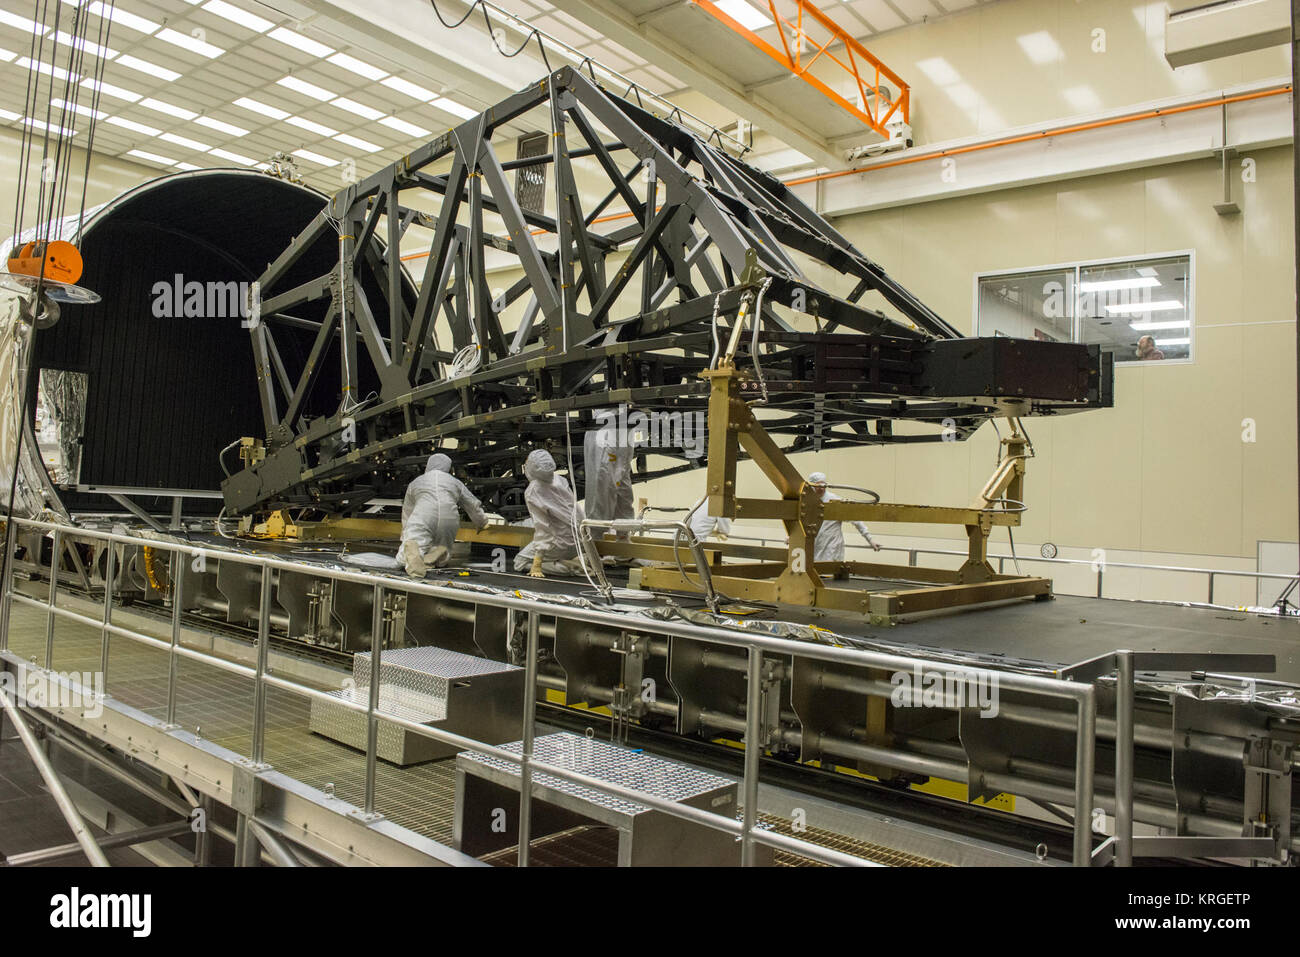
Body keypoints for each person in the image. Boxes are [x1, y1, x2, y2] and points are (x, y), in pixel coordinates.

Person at [399, 453, 487, 576]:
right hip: (449, 518)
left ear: (428, 465)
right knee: (441, 559)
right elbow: (472, 504)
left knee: (404, 556)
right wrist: (481, 522)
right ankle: (436, 555)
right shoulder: (455, 482)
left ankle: (416, 560)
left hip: (424, 515)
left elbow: (407, 511)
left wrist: (405, 535)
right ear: (448, 467)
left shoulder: (416, 482)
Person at [513, 449, 585, 578]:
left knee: (520, 563)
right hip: (579, 540)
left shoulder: (534, 489)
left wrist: (538, 561)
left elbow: (543, 527)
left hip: (559, 542)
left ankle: (570, 568)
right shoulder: (560, 480)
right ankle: (568, 560)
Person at [808, 471, 880, 563]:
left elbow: (855, 519)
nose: (822, 488)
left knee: (829, 573)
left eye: (824, 485)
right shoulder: (808, 501)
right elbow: (801, 521)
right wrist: (792, 537)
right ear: (811, 486)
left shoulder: (834, 501)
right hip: (814, 546)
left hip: (832, 547)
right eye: (818, 486)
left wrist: (870, 540)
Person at [583, 409, 635, 531]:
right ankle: (623, 537)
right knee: (621, 480)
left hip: (606, 424)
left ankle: (599, 538)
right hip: (624, 420)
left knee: (603, 483)